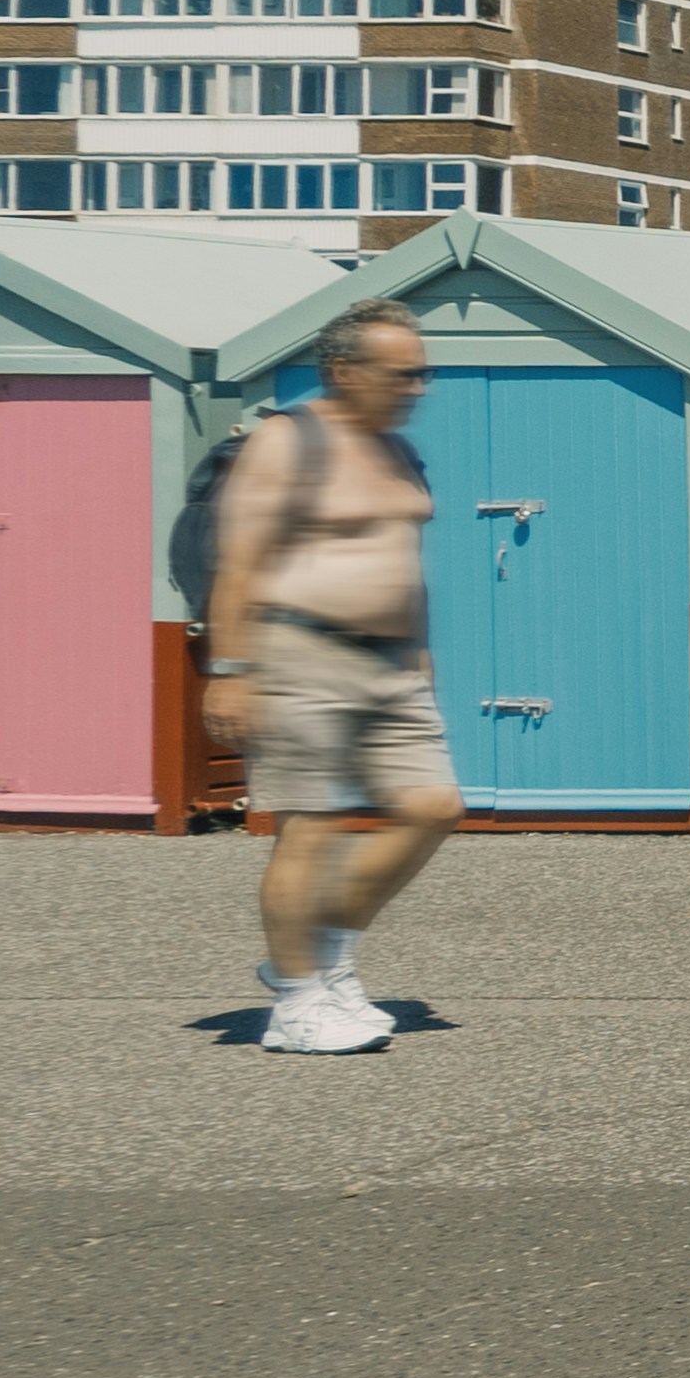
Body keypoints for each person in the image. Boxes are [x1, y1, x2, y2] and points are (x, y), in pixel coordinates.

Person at [201, 302, 460, 1052]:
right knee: (309, 830)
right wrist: (229, 671)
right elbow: (239, 559)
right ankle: (296, 1004)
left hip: (391, 666)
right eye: (403, 373)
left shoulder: (396, 451)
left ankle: (324, 952)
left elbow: (401, 567)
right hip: (296, 656)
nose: (419, 387)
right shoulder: (287, 442)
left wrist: (420, 660)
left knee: (433, 807)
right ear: (345, 372)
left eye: (424, 372)